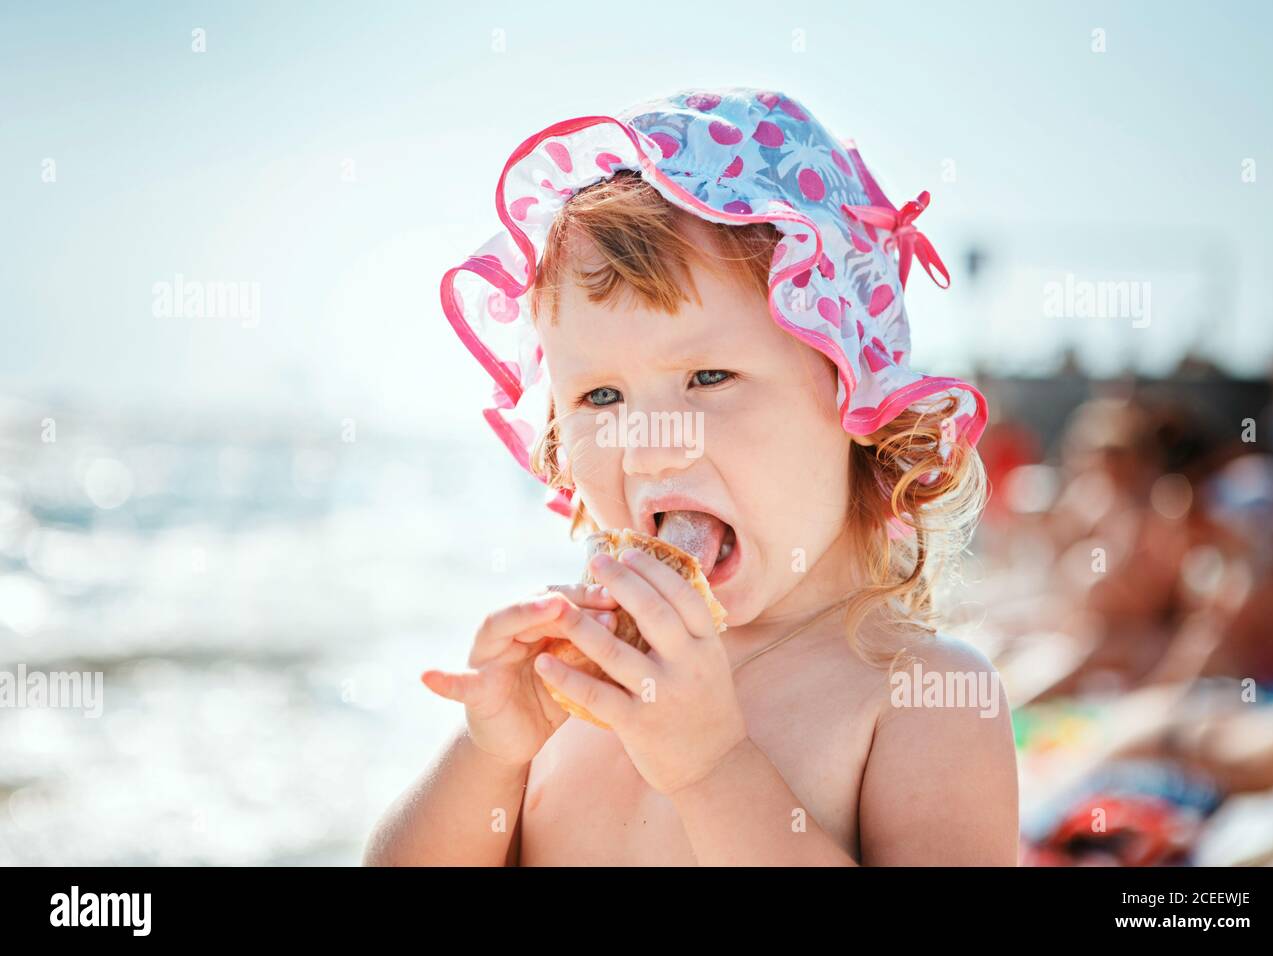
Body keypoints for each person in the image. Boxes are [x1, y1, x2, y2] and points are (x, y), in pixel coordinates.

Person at [365, 88, 1018, 865]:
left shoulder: (917, 695)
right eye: (599, 396)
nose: (649, 446)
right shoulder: (576, 685)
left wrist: (710, 768)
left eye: (709, 377)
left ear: (858, 406)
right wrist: (490, 753)